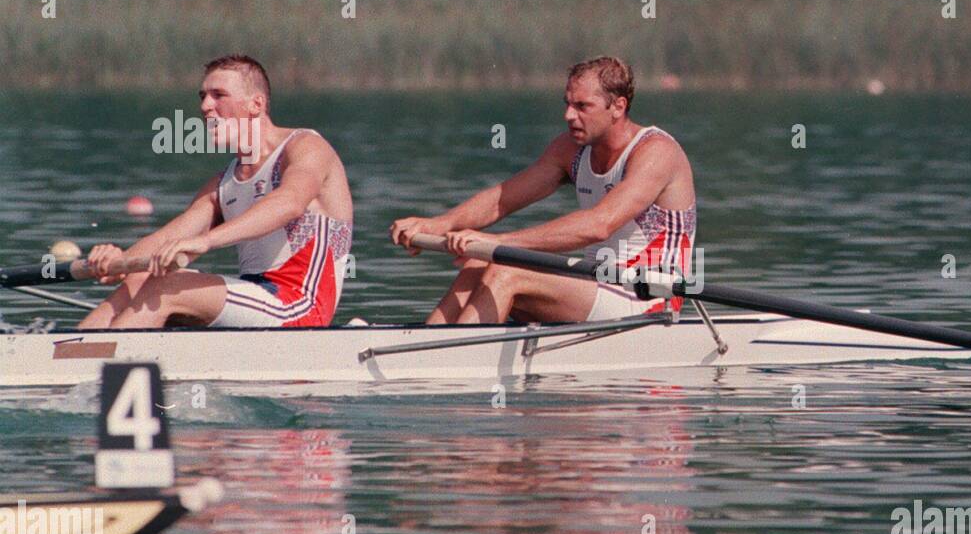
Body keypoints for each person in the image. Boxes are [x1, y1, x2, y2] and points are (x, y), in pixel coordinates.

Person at [390, 56, 696, 324]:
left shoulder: (655, 152)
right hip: (597, 288)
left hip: (651, 299)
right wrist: (439, 224)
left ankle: (448, 364)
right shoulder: (570, 151)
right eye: (567, 104)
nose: (568, 116)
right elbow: (503, 199)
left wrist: (499, 242)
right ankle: (421, 344)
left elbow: (598, 225)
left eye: (582, 106)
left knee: (505, 269)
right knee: (477, 264)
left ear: (618, 107)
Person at [78, 55, 353, 329]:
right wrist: (119, 261)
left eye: (218, 95)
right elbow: (167, 238)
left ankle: (98, 362)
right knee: (139, 279)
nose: (205, 106)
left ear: (256, 104)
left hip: (299, 307)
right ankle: (71, 351)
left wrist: (206, 241)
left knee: (168, 285)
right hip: (254, 301)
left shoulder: (305, 148)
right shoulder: (223, 184)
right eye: (203, 96)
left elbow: (289, 203)